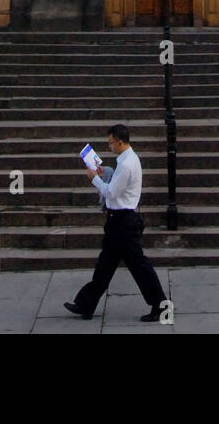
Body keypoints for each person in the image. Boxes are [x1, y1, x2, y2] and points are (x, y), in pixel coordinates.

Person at [65, 124, 168, 322]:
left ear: (120, 142)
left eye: (111, 143)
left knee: (139, 267)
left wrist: (94, 178)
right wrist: (105, 172)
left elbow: (111, 192)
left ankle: (161, 306)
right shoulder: (127, 160)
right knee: (105, 266)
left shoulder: (127, 164)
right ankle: (86, 304)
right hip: (119, 222)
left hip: (123, 224)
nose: (109, 146)